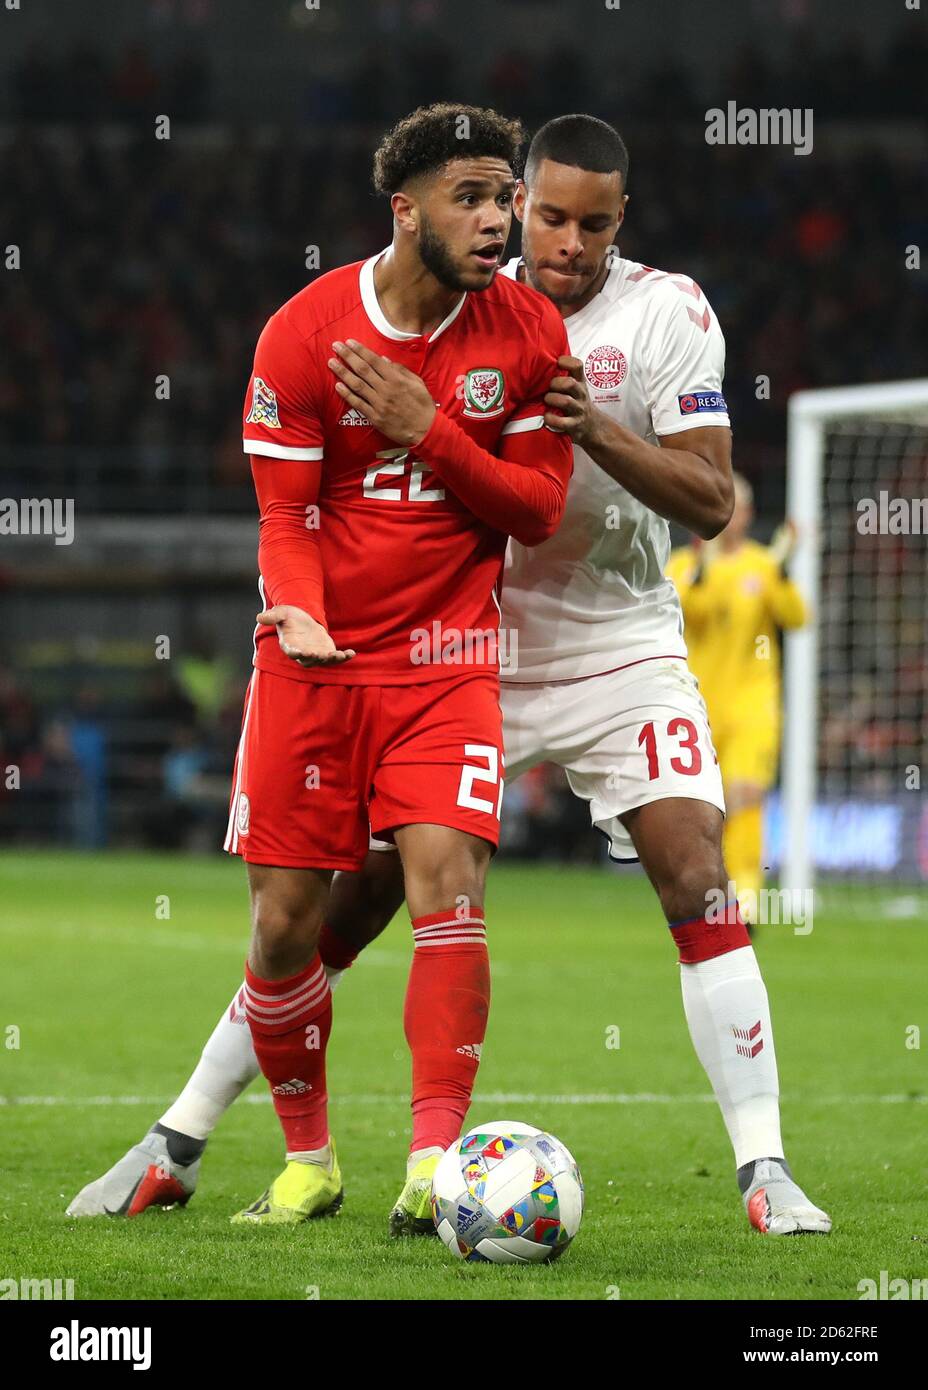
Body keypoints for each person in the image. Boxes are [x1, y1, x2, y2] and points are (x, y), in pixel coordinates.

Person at [69, 114, 829, 1238]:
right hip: (460, 641)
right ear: (516, 201)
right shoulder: (470, 289)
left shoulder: (669, 312)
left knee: (696, 874)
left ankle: (765, 1170)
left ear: (625, 223)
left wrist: (598, 432)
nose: (564, 241)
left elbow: (713, 503)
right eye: (547, 215)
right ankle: (181, 1131)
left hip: (617, 639)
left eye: (594, 223)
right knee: (338, 910)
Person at [67, 102, 573, 1229]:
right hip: (316, 664)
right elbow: (284, 516)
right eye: (473, 198)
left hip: (446, 661)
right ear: (406, 210)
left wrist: (428, 429)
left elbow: (536, 511)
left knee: (449, 887)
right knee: (285, 927)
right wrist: (294, 613)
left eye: (505, 197)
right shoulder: (301, 334)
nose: (500, 221)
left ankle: (433, 1164)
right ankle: (310, 1159)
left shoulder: (530, 333)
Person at [667, 475, 807, 914]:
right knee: (704, 806)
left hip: (753, 703)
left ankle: (747, 895)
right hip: (696, 702)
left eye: (738, 509)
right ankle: (708, 890)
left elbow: (796, 616)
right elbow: (687, 612)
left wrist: (782, 570)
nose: (730, 519)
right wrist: (703, 567)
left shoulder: (763, 565)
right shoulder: (682, 565)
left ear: (746, 515)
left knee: (746, 793)